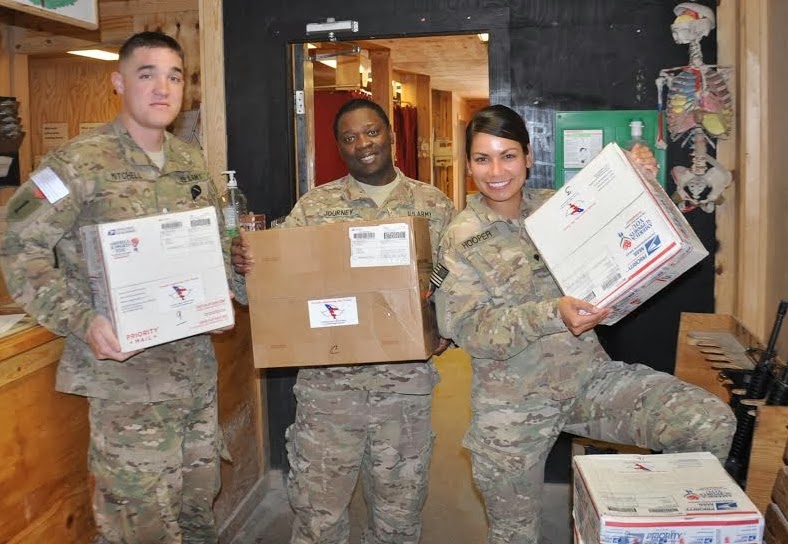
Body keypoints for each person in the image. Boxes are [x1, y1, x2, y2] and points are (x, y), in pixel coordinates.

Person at [431, 104, 736, 544]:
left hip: (587, 381)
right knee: (514, 534)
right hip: (511, 406)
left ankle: (654, 529)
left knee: (708, 421)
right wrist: (552, 312)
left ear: (529, 157)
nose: (496, 171)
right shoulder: (461, 237)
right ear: (468, 165)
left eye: (508, 155)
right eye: (483, 158)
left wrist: (637, 180)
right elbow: (471, 330)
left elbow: (621, 231)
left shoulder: (557, 207)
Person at [0, 32, 233, 544]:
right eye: (147, 74)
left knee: (197, 509)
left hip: (194, 373)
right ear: (119, 82)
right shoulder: (75, 164)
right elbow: (18, 246)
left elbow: (212, 246)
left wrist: (228, 283)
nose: (162, 88)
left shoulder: (191, 163)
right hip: (127, 385)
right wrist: (82, 321)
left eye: (174, 76)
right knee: (140, 525)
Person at [231, 98, 456, 544]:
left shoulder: (432, 204)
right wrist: (245, 264)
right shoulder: (315, 208)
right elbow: (266, 286)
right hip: (329, 394)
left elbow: (456, 279)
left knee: (397, 521)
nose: (363, 144)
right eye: (349, 138)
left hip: (404, 392)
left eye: (372, 132)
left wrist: (446, 328)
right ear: (339, 147)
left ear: (391, 136)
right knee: (319, 519)